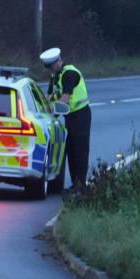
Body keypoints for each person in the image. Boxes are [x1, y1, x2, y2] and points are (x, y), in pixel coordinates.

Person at [40, 47, 91, 189]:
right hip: (69, 115)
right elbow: (48, 96)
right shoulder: (55, 75)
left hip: (81, 115)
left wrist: (51, 114)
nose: (51, 70)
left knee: (79, 150)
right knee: (70, 149)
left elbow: (65, 98)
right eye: (49, 68)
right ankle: (76, 184)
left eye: (52, 66)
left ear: (59, 61)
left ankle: (80, 185)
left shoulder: (69, 74)